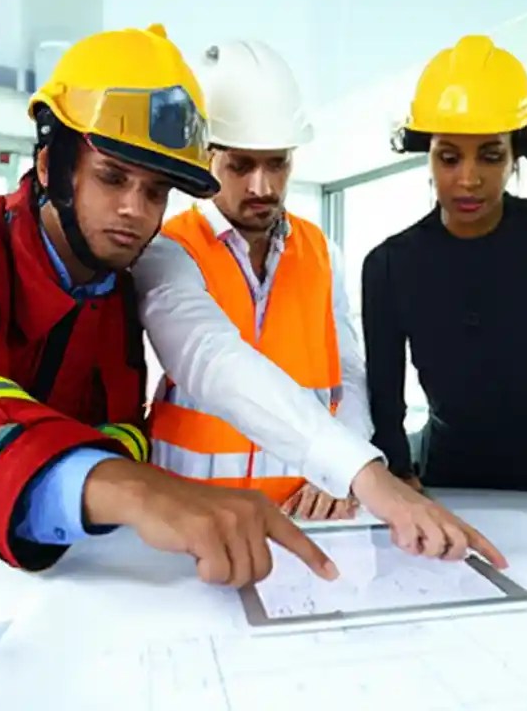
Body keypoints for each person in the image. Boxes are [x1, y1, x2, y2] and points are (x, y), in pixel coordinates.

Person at [0, 24, 507, 587]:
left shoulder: (119, 288)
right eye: (113, 177)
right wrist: (145, 493)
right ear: (51, 162)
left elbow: (141, 411)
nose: (134, 211)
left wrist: (356, 473)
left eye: (155, 190)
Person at [361, 34, 527, 496]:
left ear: (516, 155)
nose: (468, 179)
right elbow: (384, 397)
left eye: (491, 156)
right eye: (449, 157)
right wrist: (396, 472)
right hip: (449, 476)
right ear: (427, 156)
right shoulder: (390, 265)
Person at [132, 40, 365, 522]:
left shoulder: (323, 253)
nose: (263, 186)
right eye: (240, 166)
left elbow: (347, 375)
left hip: (305, 519)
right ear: (206, 157)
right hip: (189, 519)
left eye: (277, 163)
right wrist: (350, 463)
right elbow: (212, 357)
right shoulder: (167, 251)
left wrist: (344, 468)